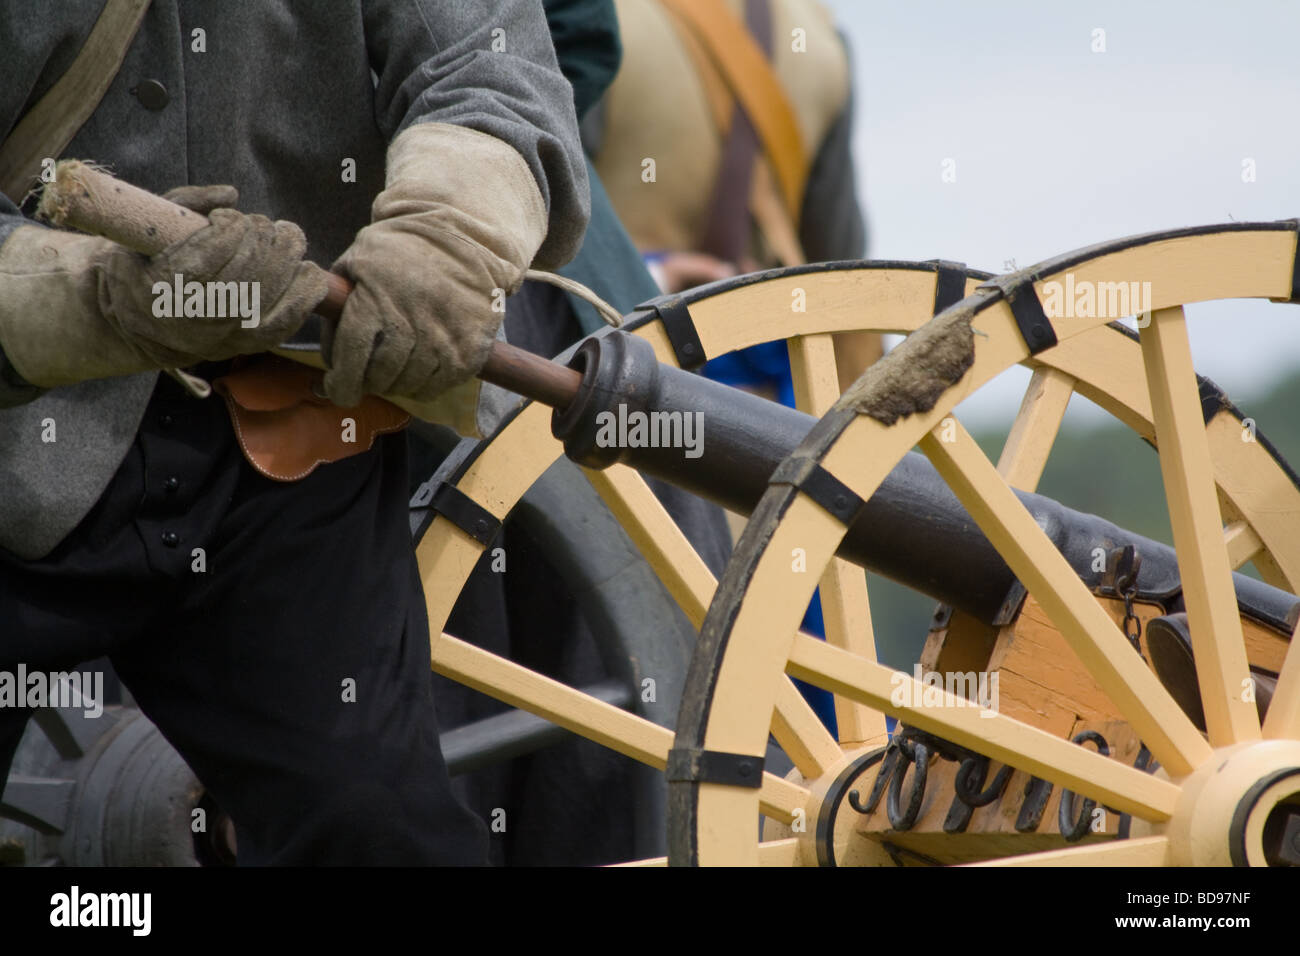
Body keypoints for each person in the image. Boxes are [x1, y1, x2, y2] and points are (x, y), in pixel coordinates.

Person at [0, 0, 589, 865]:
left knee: (380, 837)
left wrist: (441, 240)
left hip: (282, 448)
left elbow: (489, 69)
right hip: (20, 445)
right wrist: (99, 298)